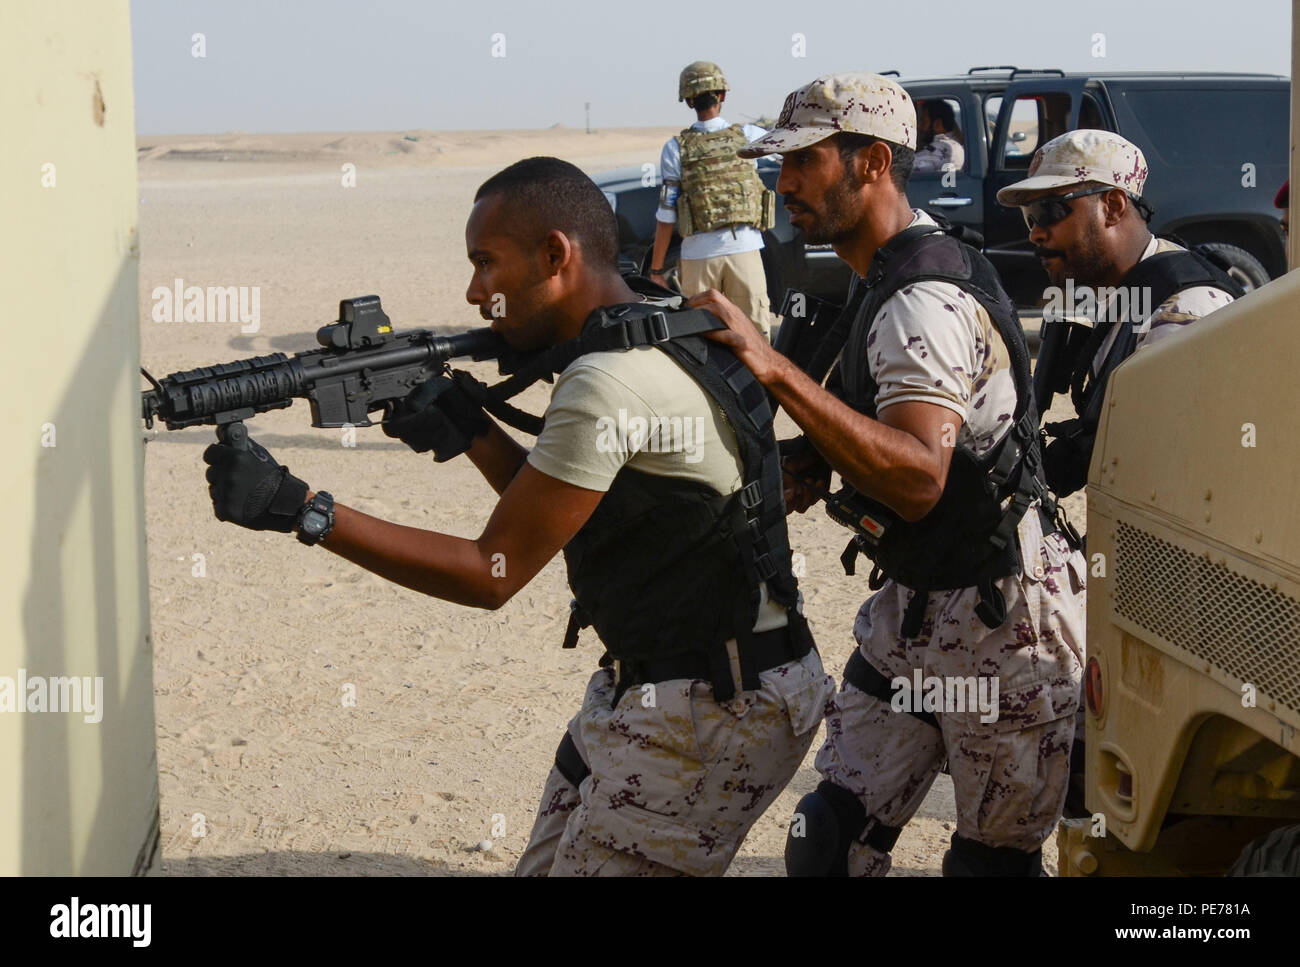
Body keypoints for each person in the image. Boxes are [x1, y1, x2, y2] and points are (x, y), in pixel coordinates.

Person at [199, 156, 833, 877]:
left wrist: (302, 509)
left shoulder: (606, 379)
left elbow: (490, 573)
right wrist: (471, 428)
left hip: (717, 703)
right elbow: (586, 512)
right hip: (686, 676)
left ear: (555, 255)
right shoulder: (660, 317)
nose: (474, 293)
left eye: (485, 264)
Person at [688, 72, 1087, 877]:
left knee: (990, 867)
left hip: (1000, 613)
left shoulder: (920, 299)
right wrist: (804, 463)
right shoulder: (885, 270)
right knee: (827, 838)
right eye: (780, 163)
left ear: (872, 162)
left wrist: (771, 366)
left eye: (804, 161)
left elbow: (918, 477)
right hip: (918, 598)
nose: (783, 183)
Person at [997, 130, 1239, 499]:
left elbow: (1172, 472)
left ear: (1112, 206)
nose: (1036, 235)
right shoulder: (1127, 291)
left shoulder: (1182, 309)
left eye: (1049, 212)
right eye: (1029, 218)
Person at [648, 61, 776, 338]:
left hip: (698, 257)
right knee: (755, 338)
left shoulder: (674, 149)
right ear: (722, 95)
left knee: (699, 341)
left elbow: (666, 214)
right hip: (745, 251)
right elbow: (788, 153)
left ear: (688, 100)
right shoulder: (749, 136)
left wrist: (656, 270)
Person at [913, 99, 965, 174]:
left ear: (938, 124)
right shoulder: (954, 144)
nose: (919, 126)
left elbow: (908, 166)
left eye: (924, 122)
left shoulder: (946, 147)